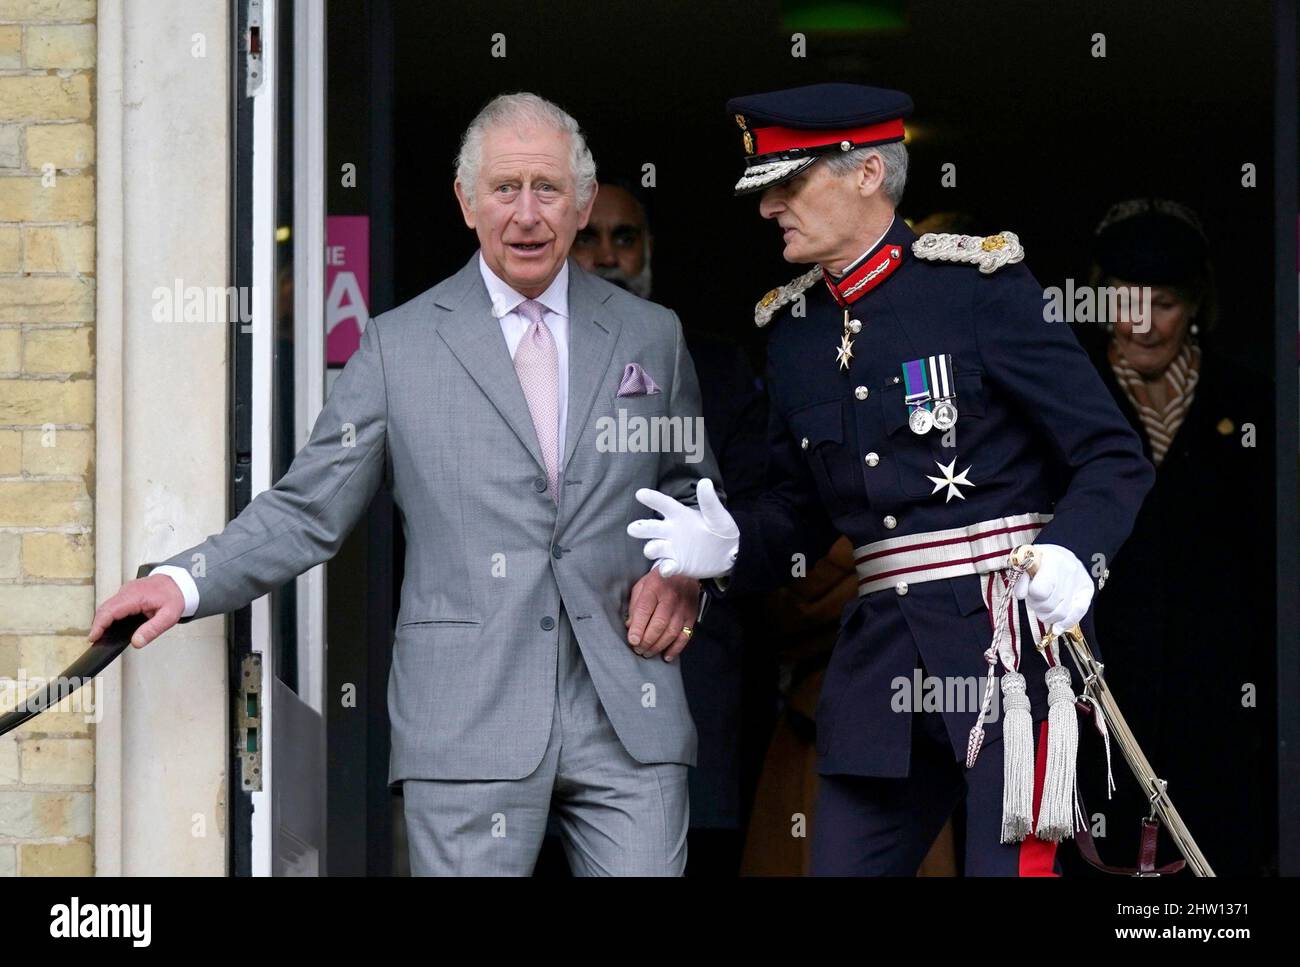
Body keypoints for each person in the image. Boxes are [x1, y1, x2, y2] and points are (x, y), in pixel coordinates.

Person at [88, 92, 720, 876]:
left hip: (628, 705)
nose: (527, 214)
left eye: (548, 190)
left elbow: (693, 490)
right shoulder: (397, 346)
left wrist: (688, 571)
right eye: (504, 189)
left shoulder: (650, 335)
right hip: (467, 716)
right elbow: (308, 508)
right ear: (465, 201)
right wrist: (184, 581)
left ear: (582, 200)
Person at [627, 82, 1156, 876]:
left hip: (1005, 650)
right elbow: (798, 510)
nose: (770, 209)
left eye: (789, 184)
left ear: (867, 174)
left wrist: (1077, 556)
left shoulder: (976, 288)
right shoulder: (792, 329)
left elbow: (1112, 453)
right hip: (880, 667)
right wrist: (733, 544)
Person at [571, 177, 770, 875]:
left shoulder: (713, 364)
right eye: (587, 237)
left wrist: (706, 560)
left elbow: (763, 509)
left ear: (650, 249)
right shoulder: (515, 359)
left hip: (685, 675)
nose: (607, 256)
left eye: (625, 237)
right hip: (548, 689)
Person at [1074, 198, 1276, 876]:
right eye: (1127, 301)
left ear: (1196, 306)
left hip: (1221, 705)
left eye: (1164, 302)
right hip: (1097, 701)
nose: (1144, 324)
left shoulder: (1253, 405)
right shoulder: (1069, 395)